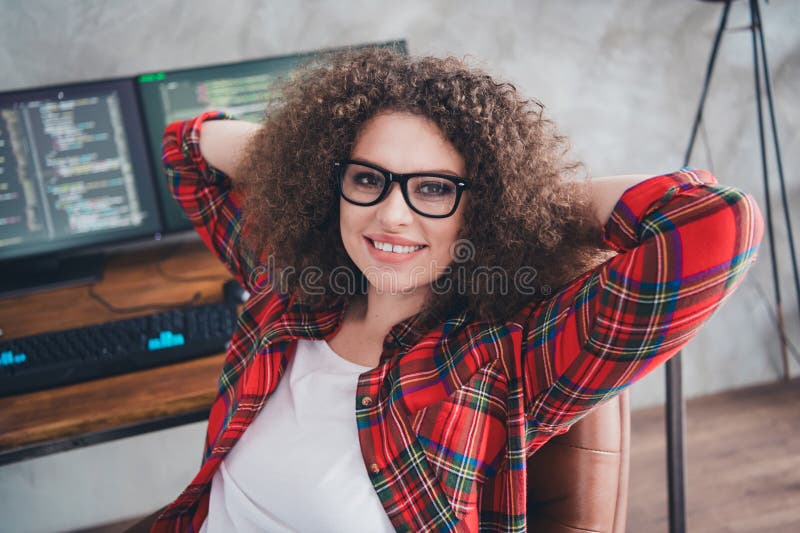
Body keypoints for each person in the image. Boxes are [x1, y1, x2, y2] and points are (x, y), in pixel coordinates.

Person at [152, 47, 762, 532]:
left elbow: (716, 222)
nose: (391, 215)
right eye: (368, 178)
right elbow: (187, 147)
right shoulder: (292, 287)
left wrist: (537, 211)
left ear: (484, 209)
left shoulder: (505, 361)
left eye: (436, 189)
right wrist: (301, 159)